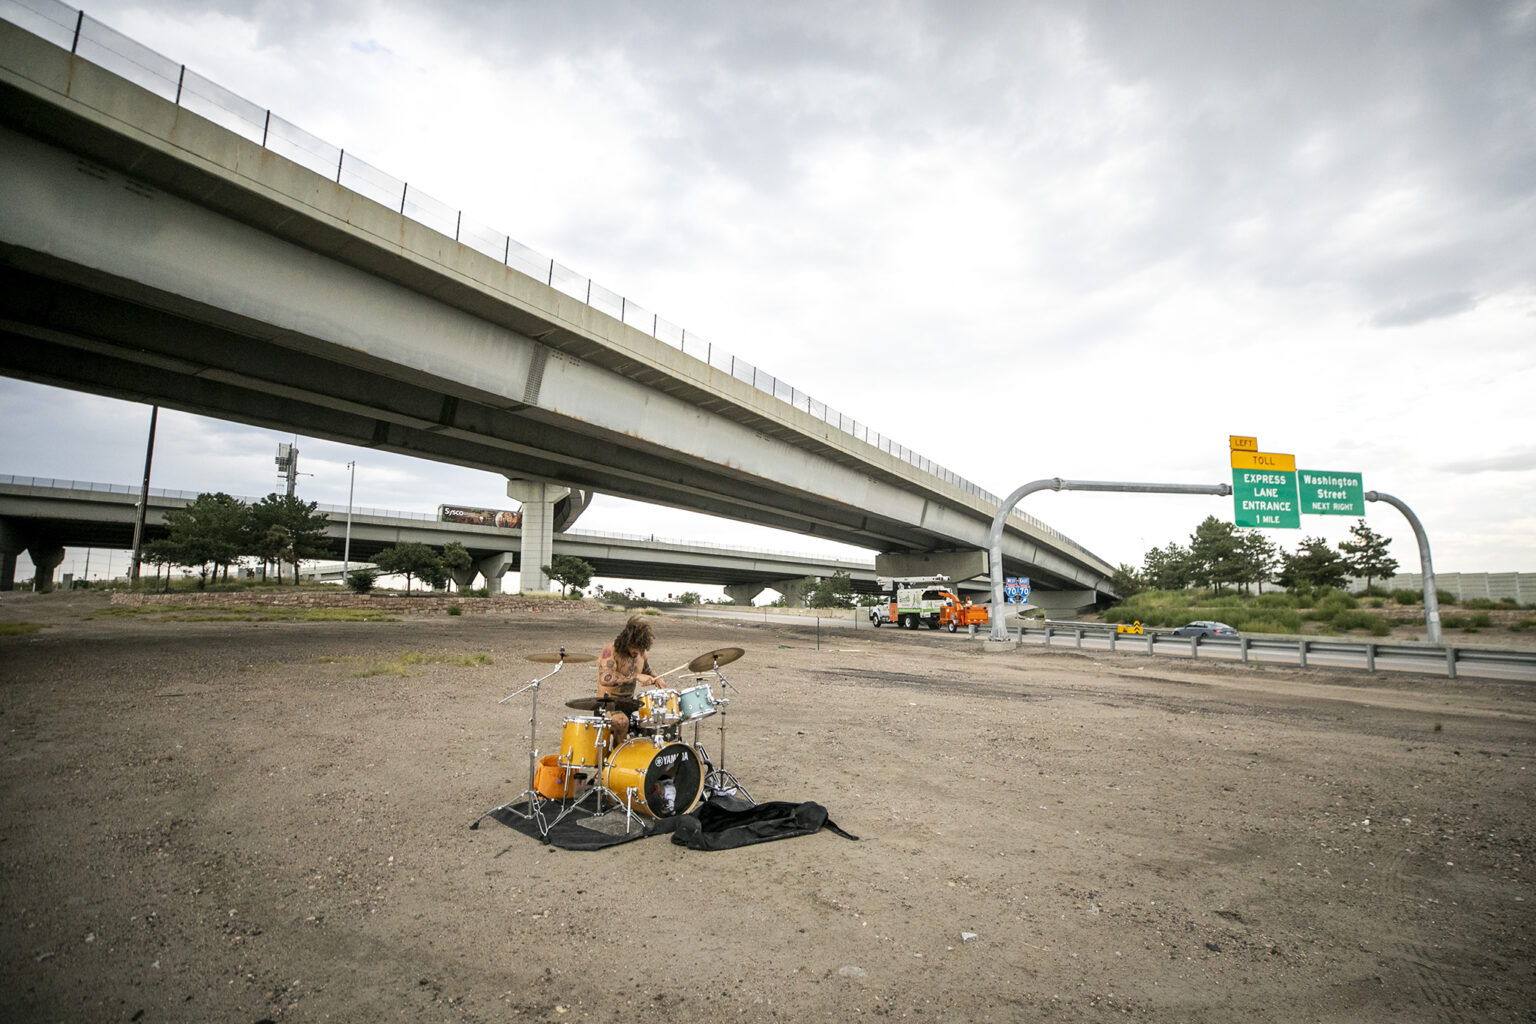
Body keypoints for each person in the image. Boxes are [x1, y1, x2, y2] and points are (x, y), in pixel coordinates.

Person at [596, 616, 660, 744]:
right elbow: (605, 678)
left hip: (630, 703)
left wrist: (657, 678)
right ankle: (616, 758)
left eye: (641, 648)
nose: (637, 651)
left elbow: (646, 670)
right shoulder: (611, 651)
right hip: (608, 705)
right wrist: (636, 676)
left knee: (658, 717)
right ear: (626, 641)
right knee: (622, 722)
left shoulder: (641, 653)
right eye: (634, 647)